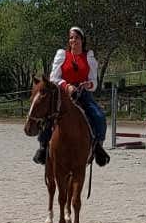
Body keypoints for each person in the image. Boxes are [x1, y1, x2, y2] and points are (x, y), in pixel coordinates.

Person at [32, 26, 110, 167]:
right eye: (71, 37)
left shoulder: (89, 57)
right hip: (63, 93)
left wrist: (88, 85)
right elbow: (53, 77)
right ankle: (43, 147)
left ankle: (98, 146)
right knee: (48, 115)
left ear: (82, 40)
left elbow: (94, 82)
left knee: (98, 116)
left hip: (82, 93)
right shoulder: (62, 55)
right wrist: (66, 85)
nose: (74, 40)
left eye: (77, 37)